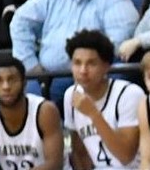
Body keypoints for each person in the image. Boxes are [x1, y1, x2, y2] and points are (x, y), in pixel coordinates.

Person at [11, 0, 140, 90]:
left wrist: (81, 67)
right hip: (44, 75)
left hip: (90, 77)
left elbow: (117, 43)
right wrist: (31, 65)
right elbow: (20, 21)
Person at [61, 29, 144, 166]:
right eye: (77, 63)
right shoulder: (70, 95)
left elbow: (125, 156)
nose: (83, 70)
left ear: (106, 67)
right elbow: (75, 147)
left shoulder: (129, 94)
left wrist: (93, 114)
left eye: (91, 63)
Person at [0, 55, 63, 170]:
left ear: (24, 82)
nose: (6, 87)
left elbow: (54, 164)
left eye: (12, 79)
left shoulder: (45, 111)